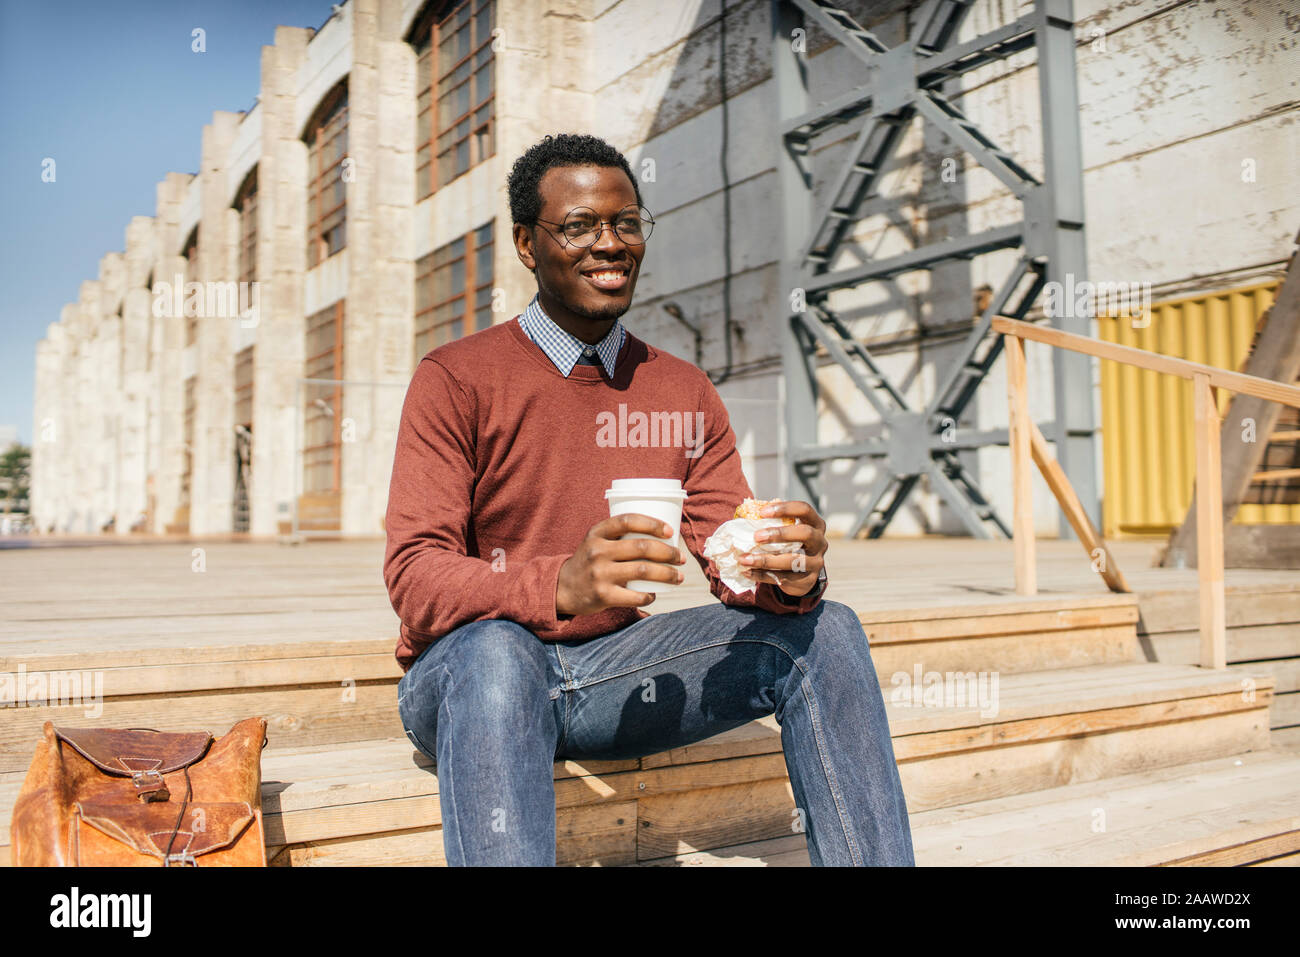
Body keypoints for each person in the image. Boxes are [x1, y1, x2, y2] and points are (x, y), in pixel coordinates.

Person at [383, 132, 913, 866]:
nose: (609, 243)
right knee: (501, 653)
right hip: (464, 679)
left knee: (828, 630)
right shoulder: (456, 376)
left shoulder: (680, 388)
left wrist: (785, 570)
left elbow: (732, 554)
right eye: (578, 226)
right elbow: (414, 576)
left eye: (626, 222)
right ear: (527, 245)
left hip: (610, 675)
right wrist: (559, 583)